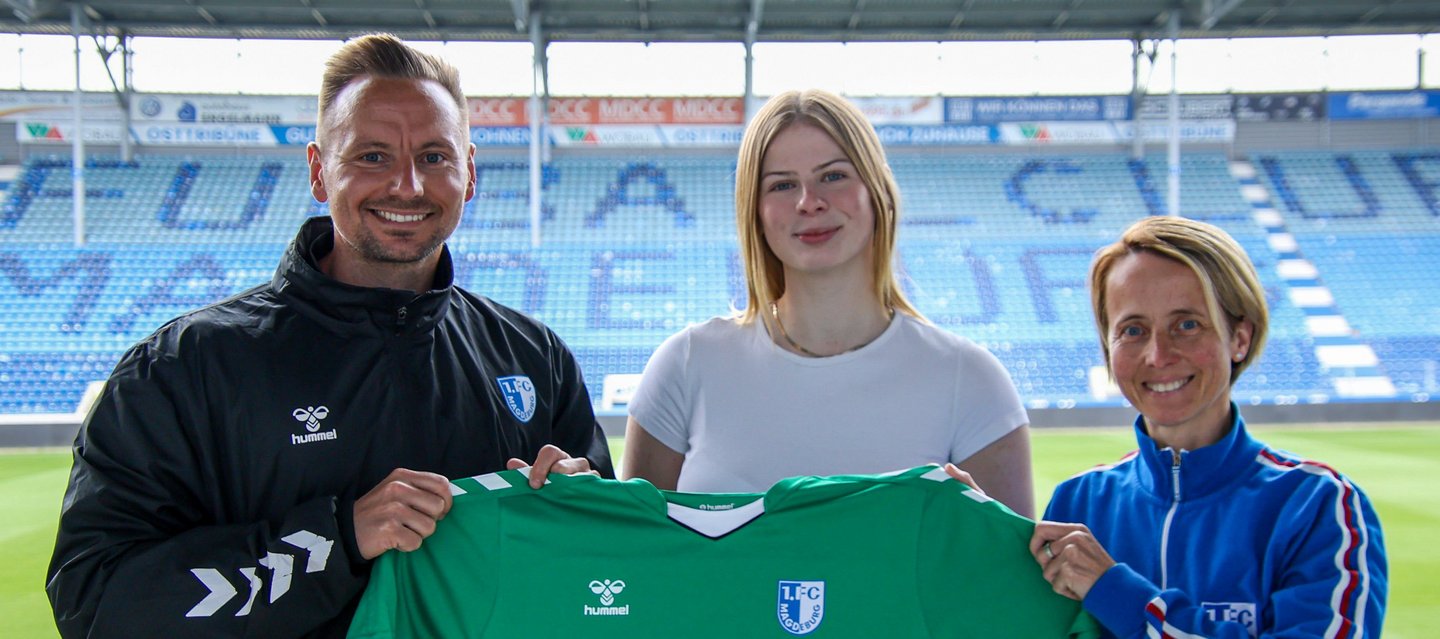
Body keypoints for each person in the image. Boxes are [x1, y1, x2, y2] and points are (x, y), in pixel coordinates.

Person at [46, 34, 612, 639]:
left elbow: (605, 582)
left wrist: (581, 518)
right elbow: (96, 600)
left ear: (469, 173)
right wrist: (333, 540)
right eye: (372, 156)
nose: (408, 187)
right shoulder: (185, 368)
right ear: (319, 171)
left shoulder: (534, 357)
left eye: (433, 157)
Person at [622, 88, 1034, 517]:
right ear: (755, 213)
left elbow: (1004, 577)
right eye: (782, 185)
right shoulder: (686, 364)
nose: (809, 201)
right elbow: (633, 558)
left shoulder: (969, 380)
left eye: (833, 176)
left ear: (876, 191)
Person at [1030, 216, 1387, 637]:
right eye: (1132, 330)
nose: (1158, 355)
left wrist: (1117, 593)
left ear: (1239, 337)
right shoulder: (1078, 504)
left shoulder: (1318, 507)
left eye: (1186, 325)